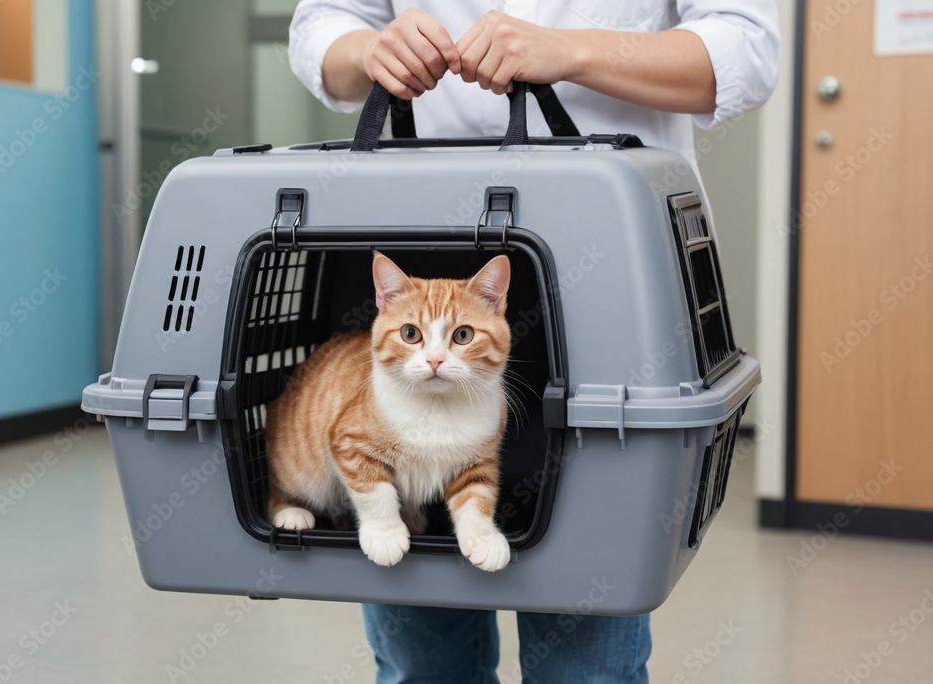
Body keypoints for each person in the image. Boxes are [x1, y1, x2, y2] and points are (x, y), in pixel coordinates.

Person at [288, 3, 780, 683]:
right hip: (423, 254)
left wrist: (572, 52)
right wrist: (371, 51)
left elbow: (748, 53)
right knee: (421, 655)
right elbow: (321, 28)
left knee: (587, 660)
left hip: (607, 273)